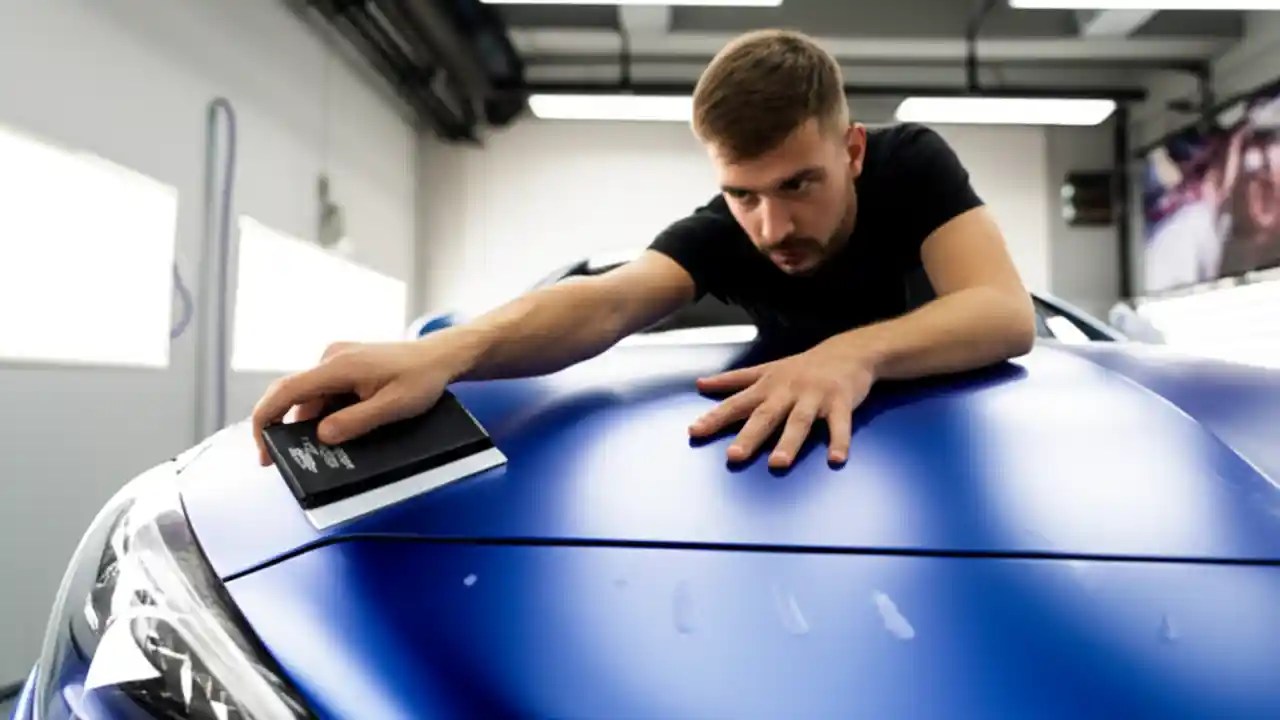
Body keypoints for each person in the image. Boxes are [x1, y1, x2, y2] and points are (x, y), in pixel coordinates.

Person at [251, 29, 1036, 471]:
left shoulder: (911, 164)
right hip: (788, 460)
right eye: (743, 194)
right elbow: (610, 299)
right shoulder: (726, 232)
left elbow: (1002, 311)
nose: (771, 227)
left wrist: (852, 354)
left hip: (947, 431)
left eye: (800, 185)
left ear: (854, 151)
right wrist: (451, 353)